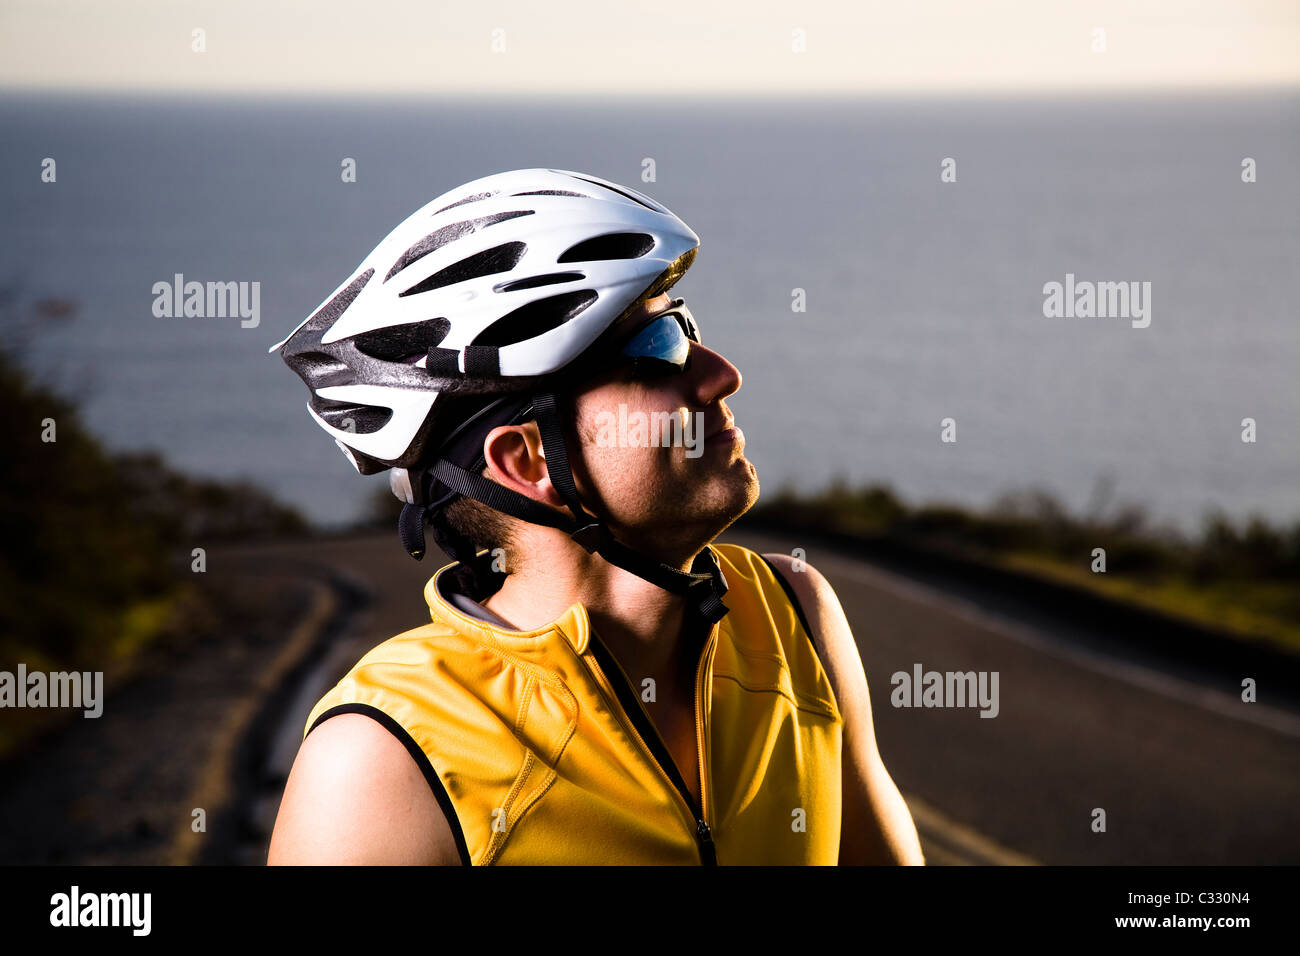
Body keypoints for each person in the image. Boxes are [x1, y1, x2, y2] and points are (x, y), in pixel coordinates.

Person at [266, 168, 924, 865]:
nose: (721, 373)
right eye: (656, 350)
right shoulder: (381, 757)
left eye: (686, 325)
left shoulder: (793, 616)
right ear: (528, 463)